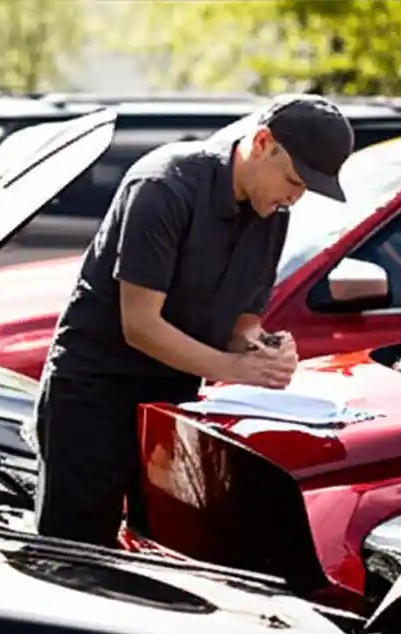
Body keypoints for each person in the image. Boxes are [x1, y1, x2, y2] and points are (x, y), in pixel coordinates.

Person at [27, 94, 355, 547]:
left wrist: (264, 349)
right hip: (93, 395)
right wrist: (232, 370)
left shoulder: (271, 213)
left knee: (162, 553)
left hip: (172, 401)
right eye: (294, 180)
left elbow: (243, 321)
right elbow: (139, 325)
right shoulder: (164, 185)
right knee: (73, 553)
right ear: (261, 143)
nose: (294, 198)